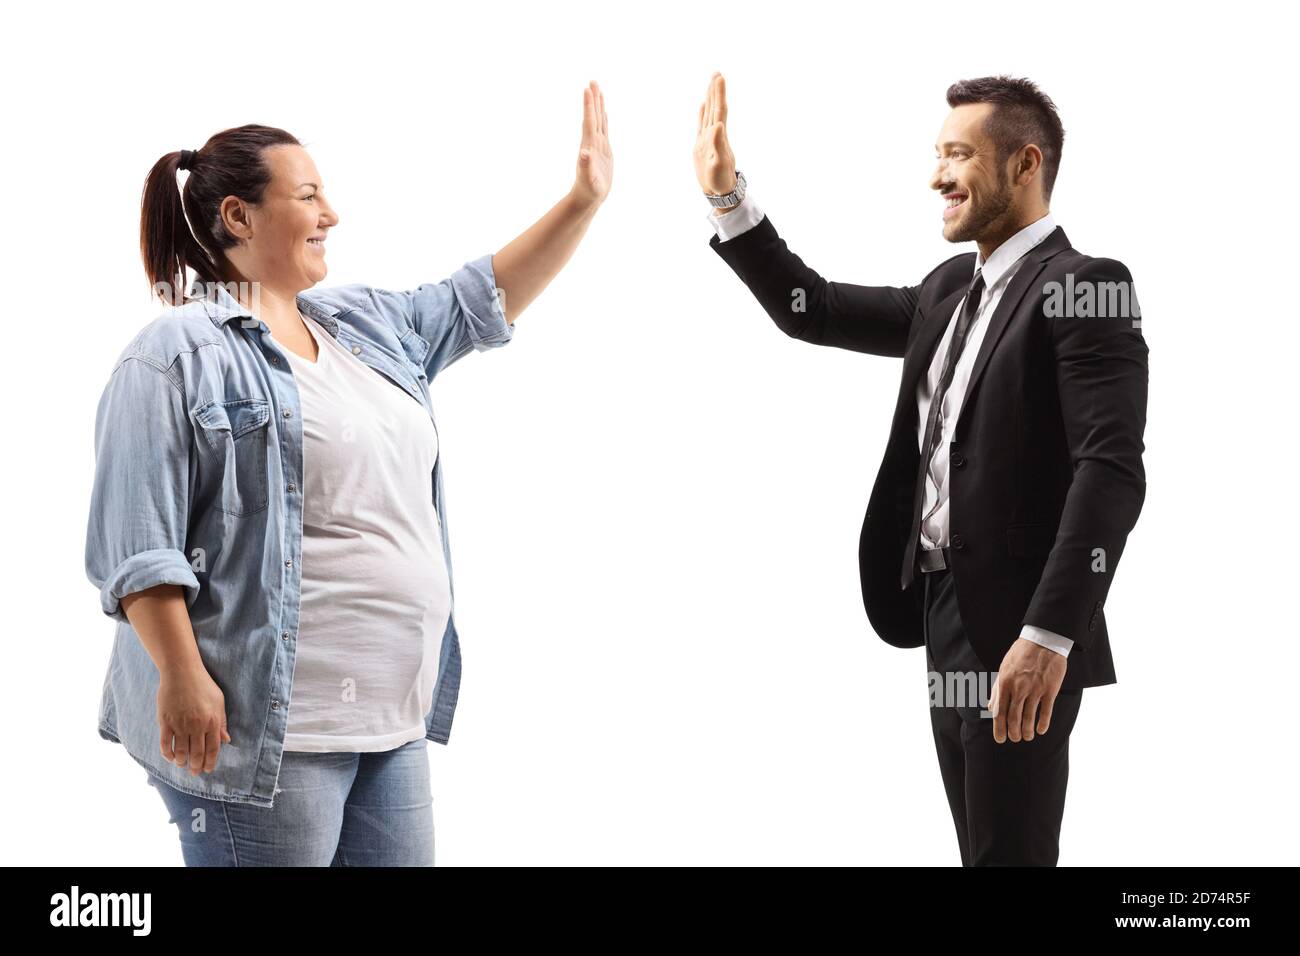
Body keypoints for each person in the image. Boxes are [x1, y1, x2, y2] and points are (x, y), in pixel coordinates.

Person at [85, 82, 613, 866]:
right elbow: (139, 544)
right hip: (264, 734)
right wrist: (182, 677)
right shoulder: (172, 356)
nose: (331, 213)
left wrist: (582, 200)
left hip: (390, 725)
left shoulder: (365, 325)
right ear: (239, 217)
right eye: (308, 195)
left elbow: (481, 298)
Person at [694, 72, 1147, 865]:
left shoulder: (1085, 287)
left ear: (1024, 165)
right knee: (980, 847)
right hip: (943, 612)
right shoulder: (946, 292)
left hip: (1022, 625)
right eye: (938, 154)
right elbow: (815, 308)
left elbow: (1109, 470)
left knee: (1012, 851)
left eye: (958, 155)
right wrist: (730, 199)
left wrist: (1051, 632)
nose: (936, 176)